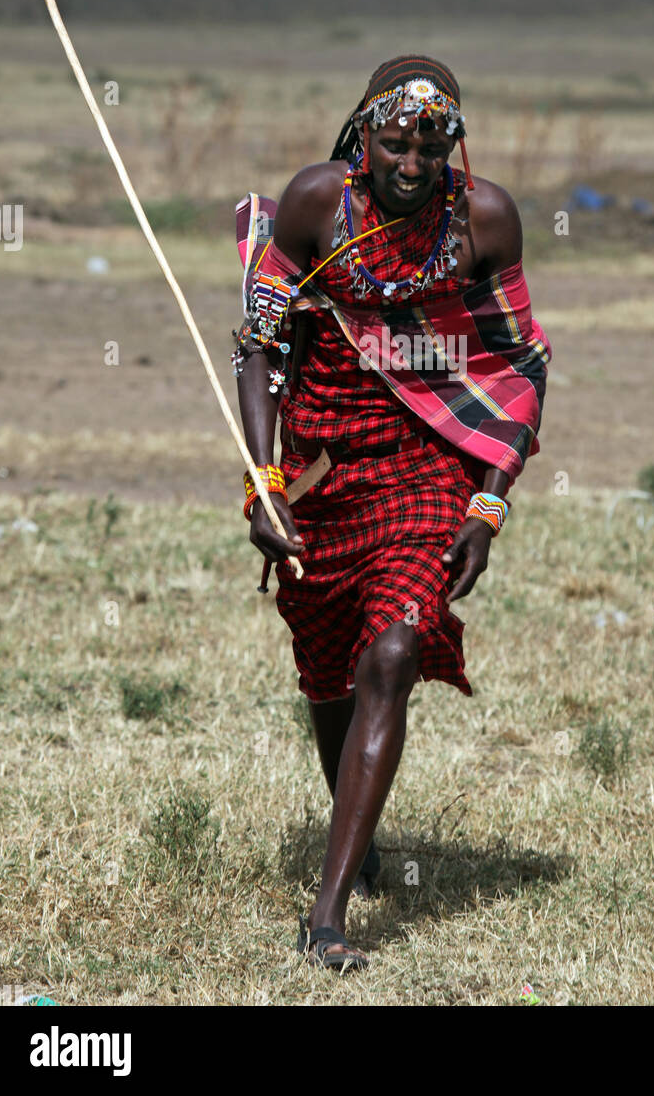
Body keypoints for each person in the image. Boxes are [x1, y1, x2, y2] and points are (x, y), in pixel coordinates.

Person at [232, 56, 550, 969]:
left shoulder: (483, 219)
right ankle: (356, 838)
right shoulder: (314, 206)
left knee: (395, 652)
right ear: (362, 137)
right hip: (324, 464)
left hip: (431, 464)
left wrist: (488, 505)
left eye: (432, 141)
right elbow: (259, 344)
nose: (412, 161)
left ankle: (325, 917)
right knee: (329, 664)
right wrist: (265, 480)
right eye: (395, 139)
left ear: (455, 143)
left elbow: (519, 365)